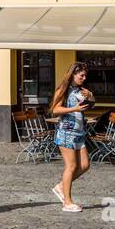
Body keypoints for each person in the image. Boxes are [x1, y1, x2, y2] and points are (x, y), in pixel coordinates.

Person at [49, 61, 95, 211]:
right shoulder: (63, 89)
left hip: (79, 132)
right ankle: (67, 202)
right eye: (81, 75)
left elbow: (88, 105)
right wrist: (73, 108)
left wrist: (91, 97)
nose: (84, 78)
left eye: (85, 76)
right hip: (66, 131)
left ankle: (61, 186)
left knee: (85, 165)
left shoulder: (80, 90)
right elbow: (55, 110)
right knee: (71, 166)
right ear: (73, 74)